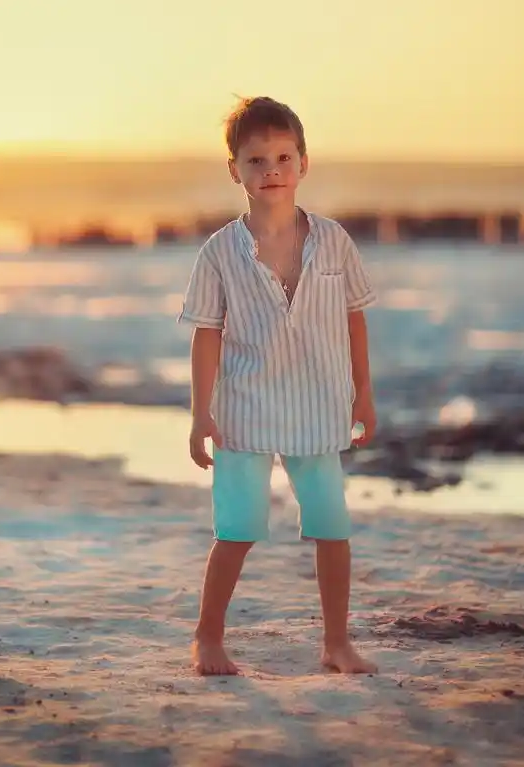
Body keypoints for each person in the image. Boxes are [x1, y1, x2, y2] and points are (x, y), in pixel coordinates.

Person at [178, 96, 379, 677]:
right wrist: (199, 414)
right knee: (236, 529)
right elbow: (207, 335)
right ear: (234, 170)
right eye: (256, 160)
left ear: (304, 163)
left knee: (332, 527)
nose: (271, 170)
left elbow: (354, 318)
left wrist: (363, 393)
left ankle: (336, 642)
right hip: (243, 409)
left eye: (283, 157)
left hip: (318, 408)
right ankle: (207, 638)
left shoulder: (334, 241)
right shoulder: (219, 253)